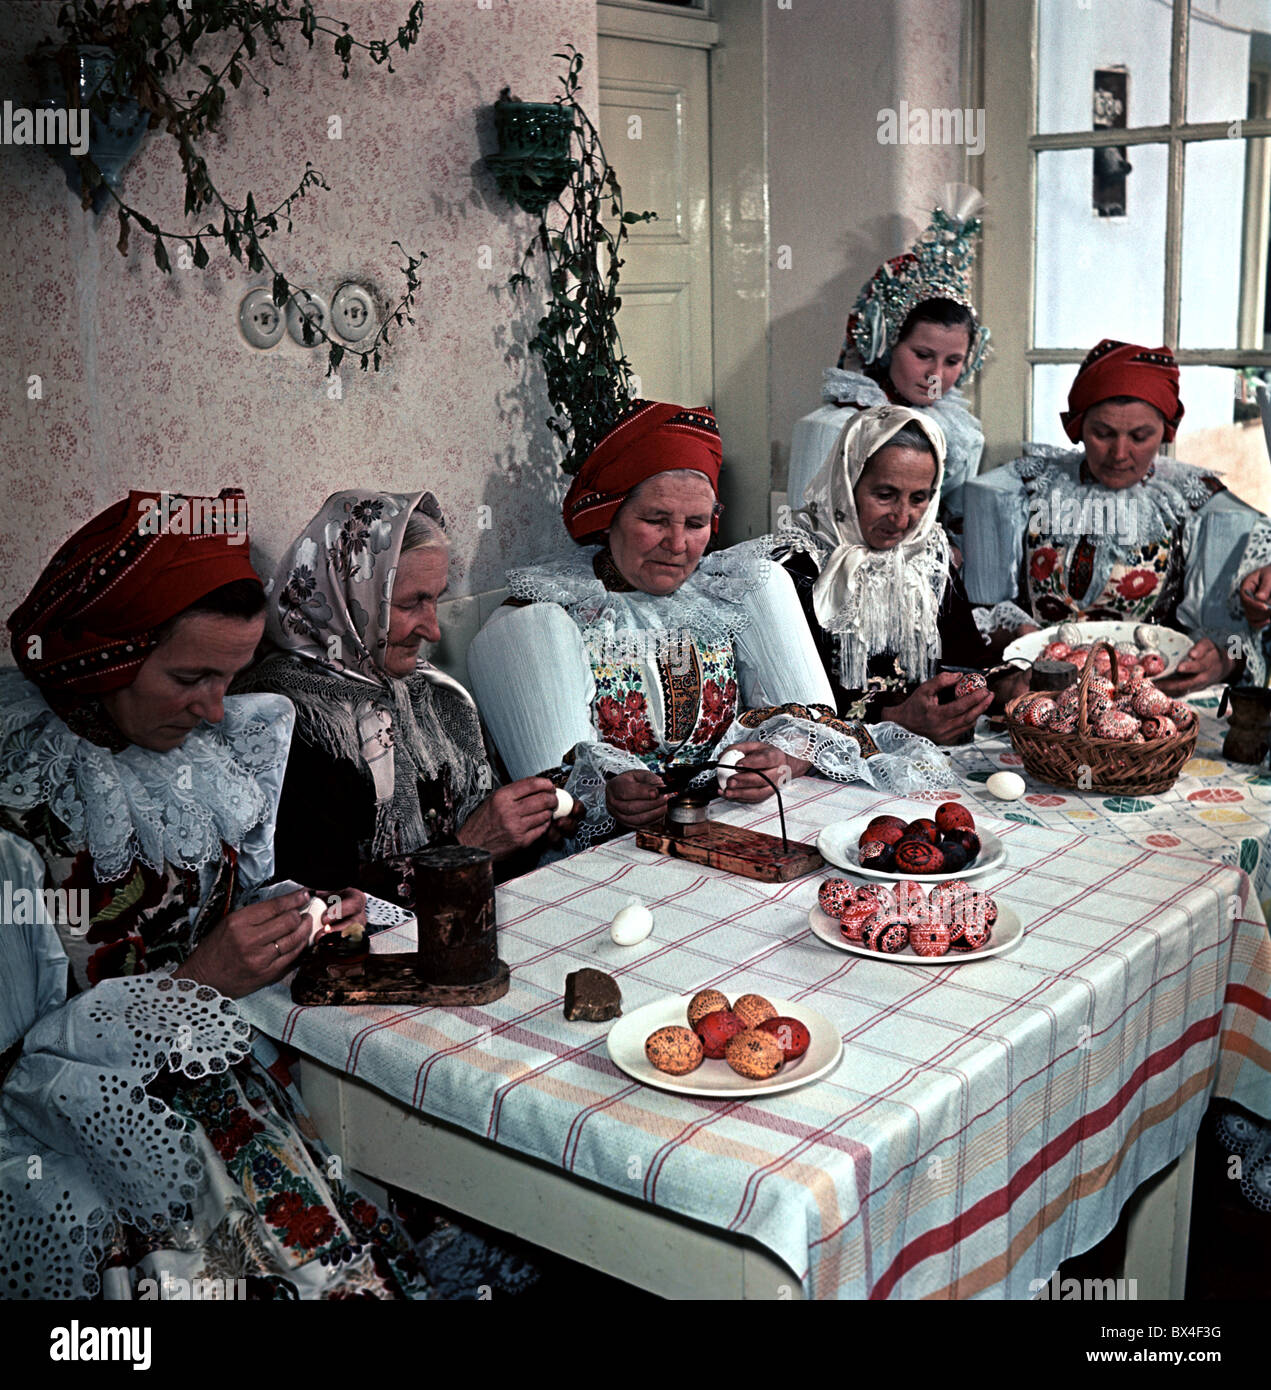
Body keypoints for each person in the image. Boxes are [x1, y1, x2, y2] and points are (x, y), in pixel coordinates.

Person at [0, 490, 431, 1299]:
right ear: (106, 657)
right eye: (190, 677)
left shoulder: (208, 757)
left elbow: (232, 901)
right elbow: (17, 1073)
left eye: (229, 677)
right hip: (81, 1134)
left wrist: (301, 916)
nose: (214, 709)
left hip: (216, 1086)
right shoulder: (21, 809)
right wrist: (195, 985)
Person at [466, 400, 948, 847]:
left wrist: (781, 762)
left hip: (734, 835)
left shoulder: (740, 587)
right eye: (656, 519)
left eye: (695, 524)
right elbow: (549, 812)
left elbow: (820, 729)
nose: (677, 544)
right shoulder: (539, 621)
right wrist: (607, 797)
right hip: (612, 860)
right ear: (610, 514)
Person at [233, 490, 575, 888]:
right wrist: (465, 849)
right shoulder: (291, 722)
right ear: (351, 596)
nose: (433, 629)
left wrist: (536, 821)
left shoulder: (433, 696)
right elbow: (317, 907)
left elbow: (490, 833)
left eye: (435, 600)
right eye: (413, 603)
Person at [962, 340, 1262, 696]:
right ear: (1078, 426)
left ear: (1166, 430)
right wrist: (1013, 638)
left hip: (1150, 700)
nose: (1120, 454)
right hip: (1040, 694)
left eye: (1140, 436)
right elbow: (977, 617)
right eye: (1102, 434)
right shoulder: (1025, 488)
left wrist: (1222, 659)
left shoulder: (1198, 503)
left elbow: (1237, 639)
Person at [773, 405, 1028, 743]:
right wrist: (892, 719)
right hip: (832, 758)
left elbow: (964, 659)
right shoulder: (799, 567)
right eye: (885, 495)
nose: (902, 518)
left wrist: (1004, 684)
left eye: (919, 498)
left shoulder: (928, 558)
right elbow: (789, 704)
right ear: (847, 482)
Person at [786, 185, 991, 532]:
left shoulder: (962, 432)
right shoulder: (835, 427)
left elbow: (956, 523)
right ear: (888, 344)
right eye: (923, 355)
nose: (936, 374)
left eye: (953, 361)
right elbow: (801, 533)